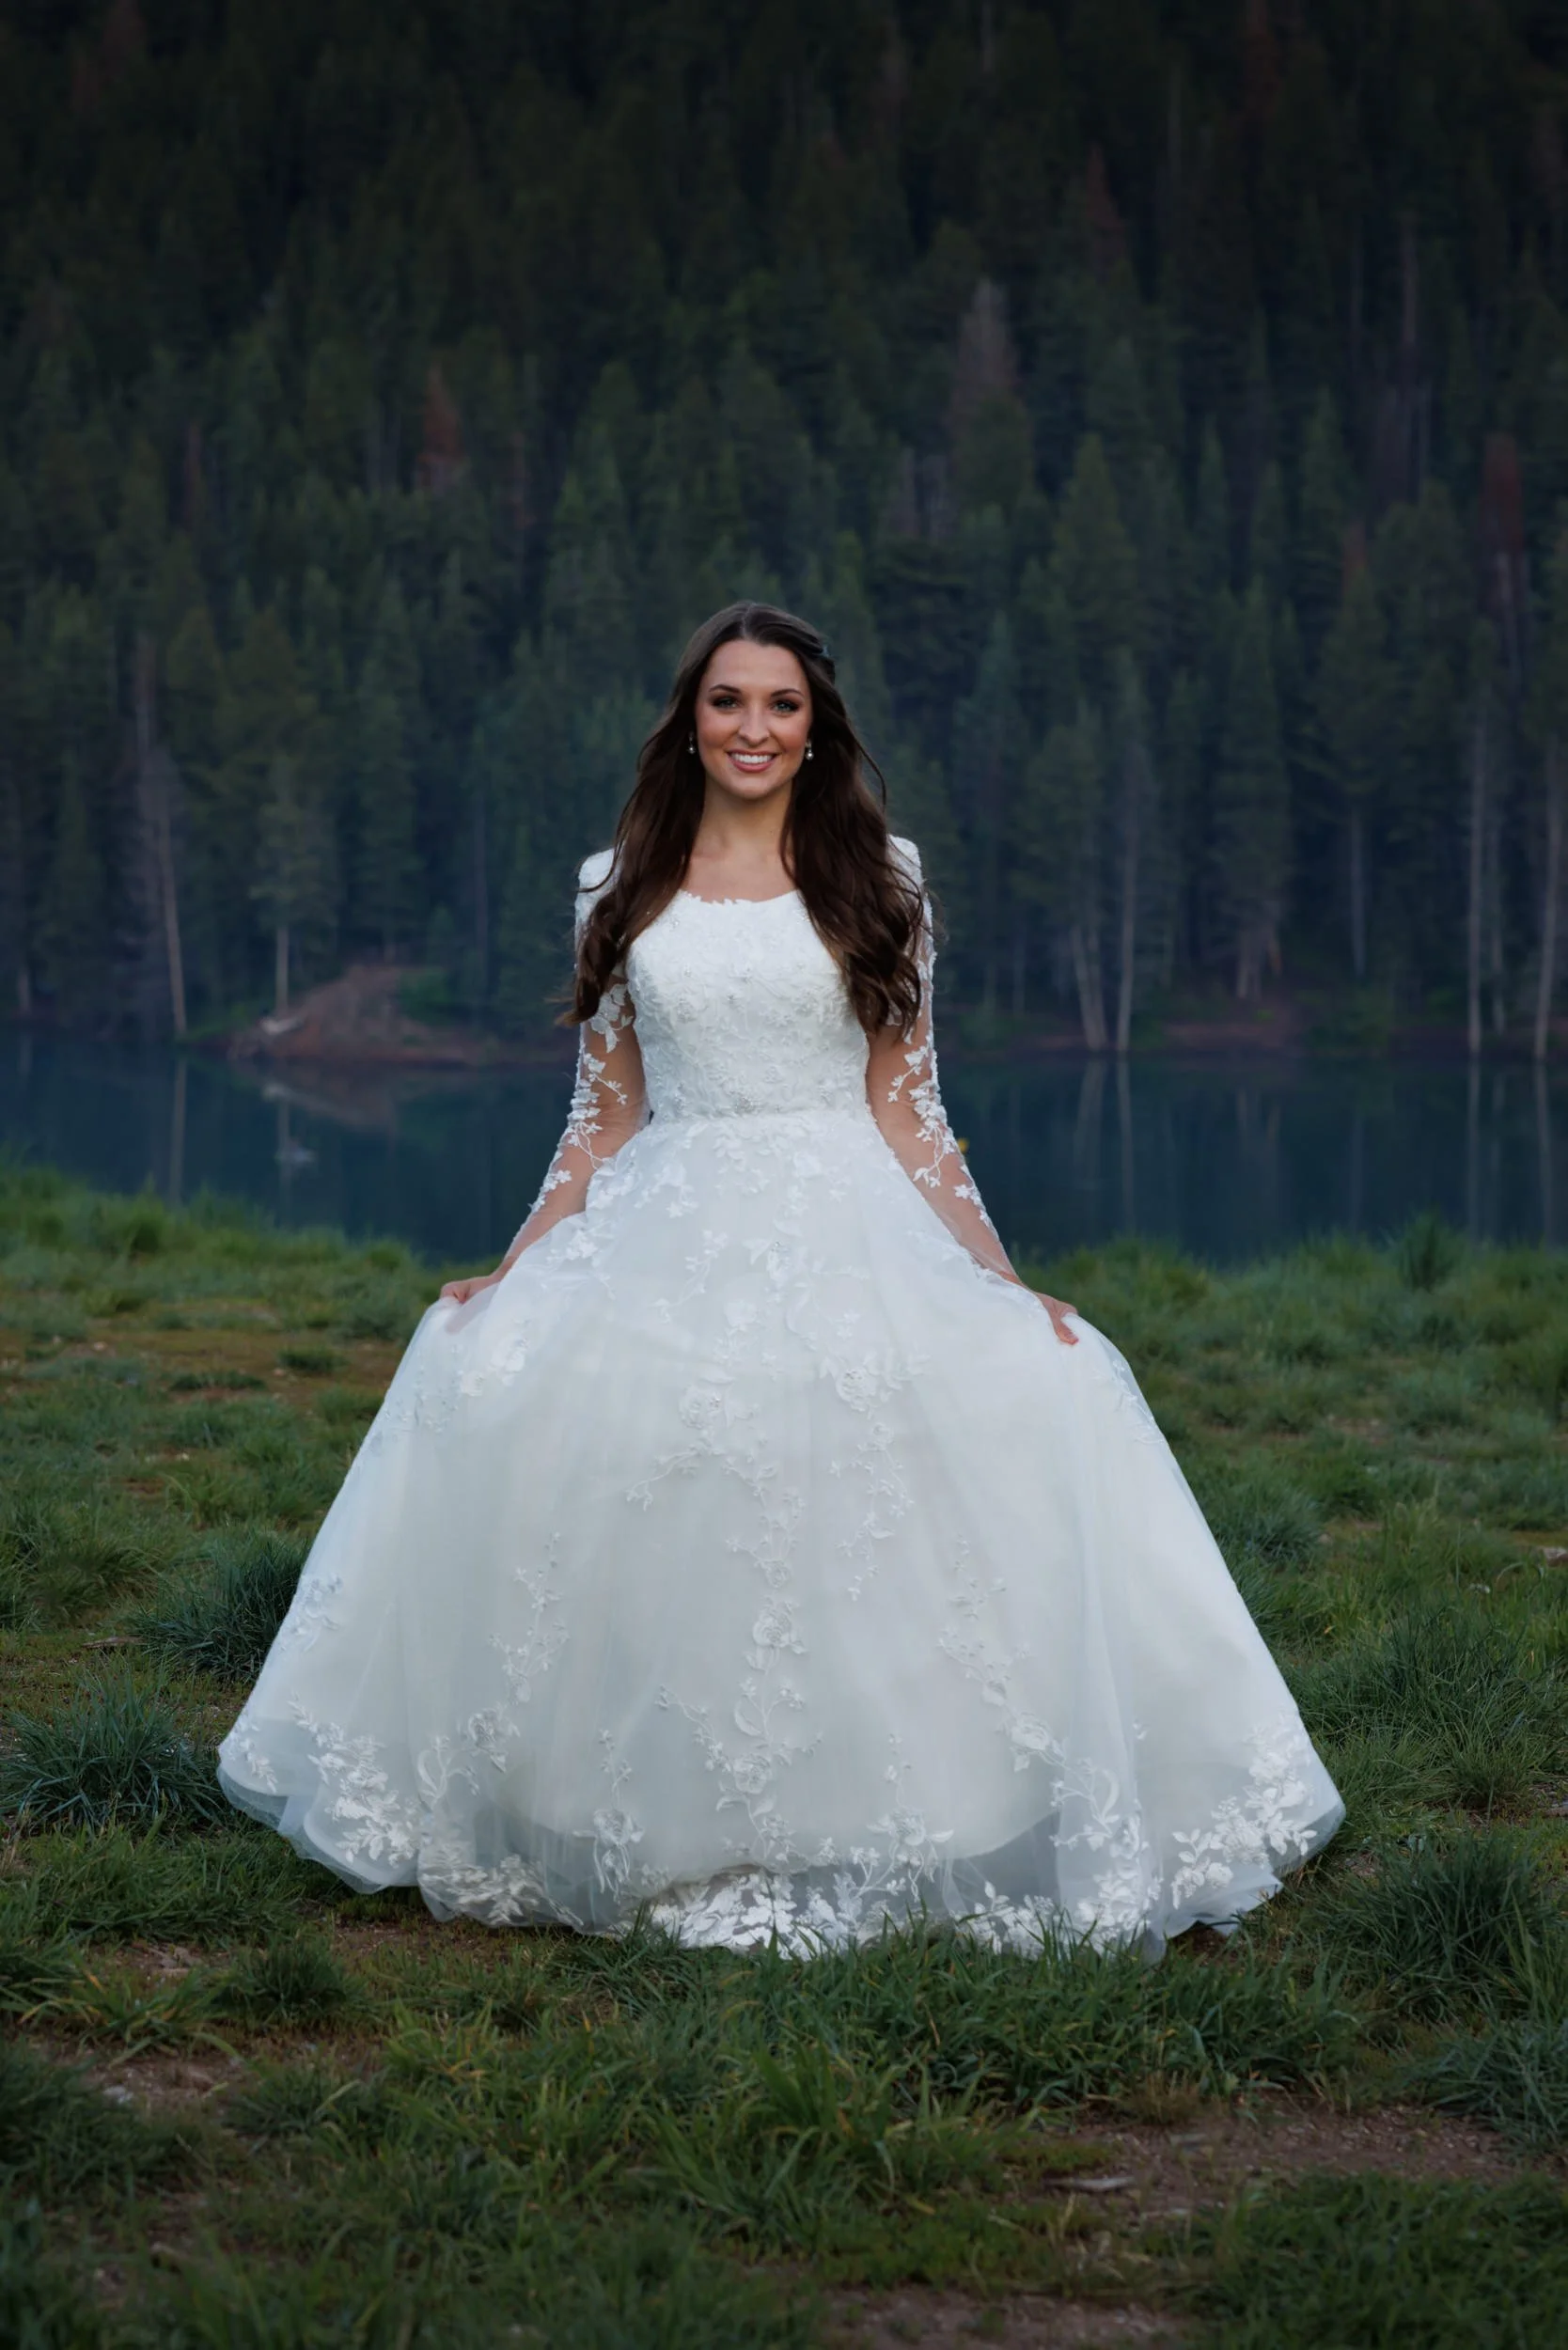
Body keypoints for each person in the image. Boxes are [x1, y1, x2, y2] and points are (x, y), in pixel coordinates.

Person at [219, 602, 1342, 1955]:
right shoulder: (617, 883)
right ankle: (636, 1808)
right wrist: (514, 1269)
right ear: (690, 722)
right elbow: (603, 1114)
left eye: (783, 706)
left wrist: (1001, 1284)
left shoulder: (885, 877)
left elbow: (910, 1110)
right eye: (729, 701)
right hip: (668, 1211)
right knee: (527, 1392)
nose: (755, 727)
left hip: (844, 1207)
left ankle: (910, 1802)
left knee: (1031, 1397)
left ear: (817, 732)